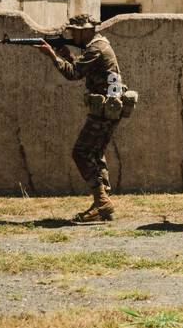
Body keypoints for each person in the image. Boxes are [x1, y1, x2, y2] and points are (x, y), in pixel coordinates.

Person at [35, 14, 126, 222]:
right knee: (95, 154)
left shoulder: (96, 48)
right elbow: (80, 69)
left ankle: (102, 201)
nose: (71, 35)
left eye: (74, 31)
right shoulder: (98, 45)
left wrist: (51, 55)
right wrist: (65, 55)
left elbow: (73, 74)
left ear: (86, 30)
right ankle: (102, 205)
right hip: (107, 108)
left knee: (81, 153)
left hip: (104, 110)